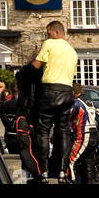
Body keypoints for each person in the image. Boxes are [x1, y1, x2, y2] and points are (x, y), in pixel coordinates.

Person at [30, 21, 78, 180]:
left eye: (48, 32)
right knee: (63, 131)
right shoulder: (72, 51)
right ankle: (62, 171)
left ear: (56, 32)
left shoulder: (49, 43)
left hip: (50, 91)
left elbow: (36, 66)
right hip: (66, 92)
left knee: (43, 129)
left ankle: (43, 170)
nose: (47, 35)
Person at [68, 82, 98, 183]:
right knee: (88, 164)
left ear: (73, 93)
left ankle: (73, 181)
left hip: (84, 136)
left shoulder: (76, 102)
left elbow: (68, 115)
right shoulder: (89, 101)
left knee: (72, 162)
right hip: (94, 135)